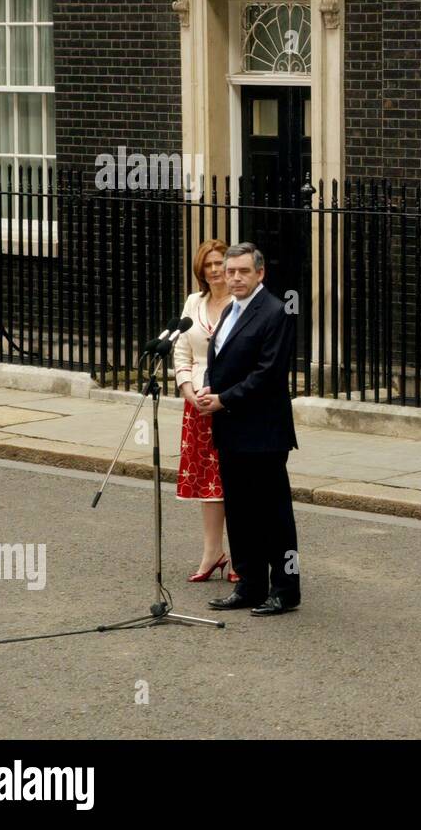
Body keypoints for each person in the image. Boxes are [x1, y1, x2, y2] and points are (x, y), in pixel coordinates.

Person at [198, 242, 301, 616]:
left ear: (260, 274)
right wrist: (210, 386)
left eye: (243, 271)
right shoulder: (229, 310)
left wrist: (224, 398)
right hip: (231, 429)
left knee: (273, 514)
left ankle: (286, 589)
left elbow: (268, 374)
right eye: (231, 271)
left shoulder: (275, 311)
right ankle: (250, 585)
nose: (235, 278)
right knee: (240, 512)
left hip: (263, 432)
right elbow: (219, 360)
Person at [173, 239, 240, 583]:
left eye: (220, 264)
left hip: (231, 403)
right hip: (198, 405)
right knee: (210, 486)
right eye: (208, 265)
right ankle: (213, 552)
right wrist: (188, 391)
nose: (215, 270)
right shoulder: (193, 303)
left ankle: (242, 557)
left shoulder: (242, 305)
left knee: (236, 482)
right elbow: (182, 354)